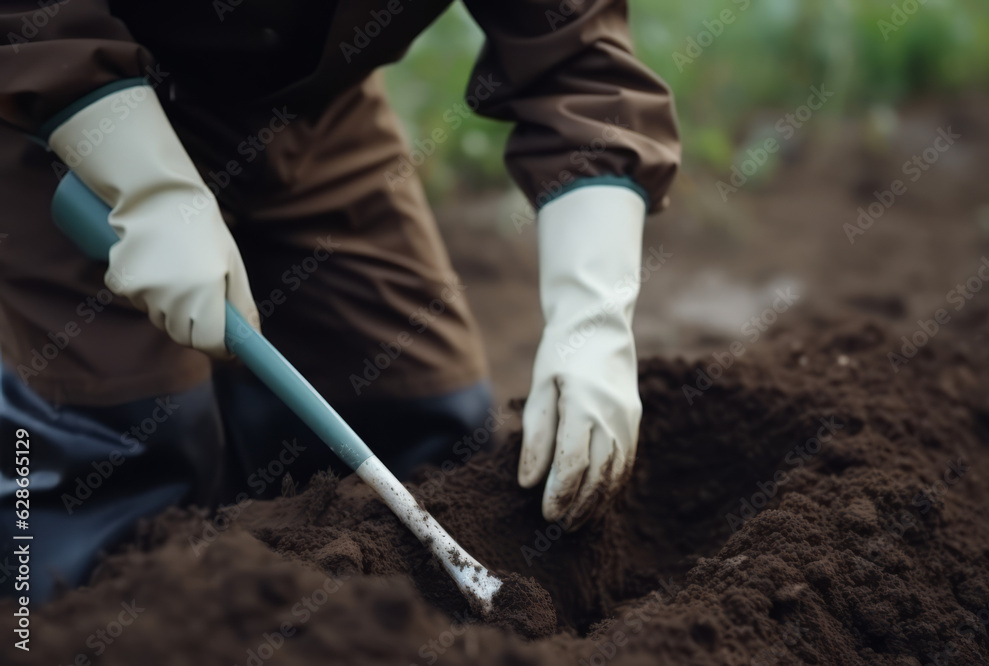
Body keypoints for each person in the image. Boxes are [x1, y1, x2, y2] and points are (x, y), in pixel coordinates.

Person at [0, 0, 680, 601]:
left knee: (423, 425)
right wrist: (148, 187)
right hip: (64, 113)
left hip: (311, 117)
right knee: (125, 461)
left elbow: (578, 62)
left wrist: (592, 316)